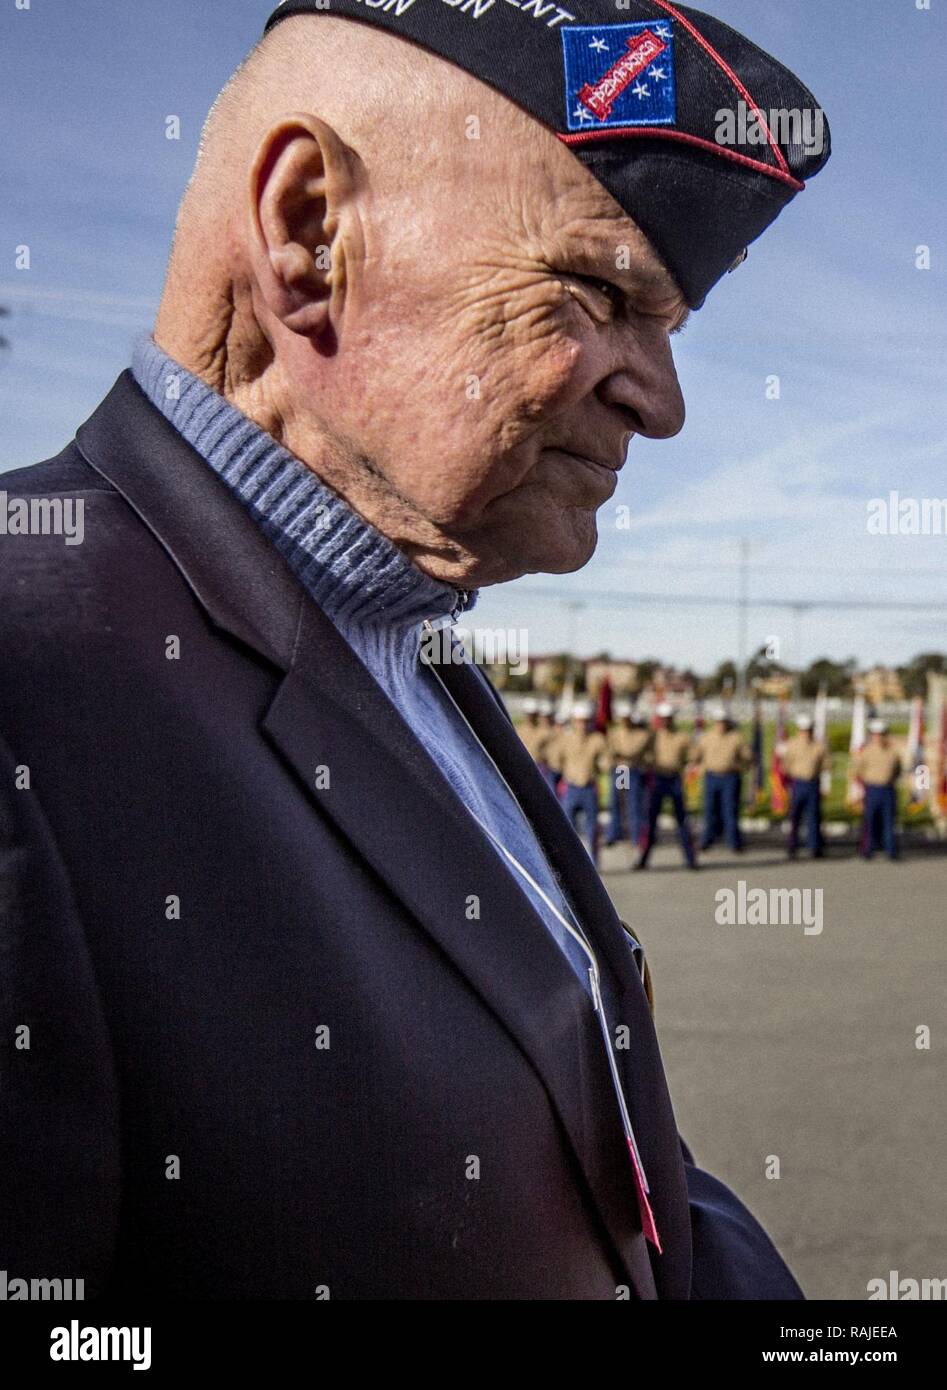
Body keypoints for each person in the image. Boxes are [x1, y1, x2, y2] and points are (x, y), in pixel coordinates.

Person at [0, 1, 829, 1299]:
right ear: (308, 230)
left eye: (670, 325)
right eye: (602, 291)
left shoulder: (405, 644)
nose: (660, 400)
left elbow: (611, 1160)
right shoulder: (27, 673)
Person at [635, 703, 698, 871]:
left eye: (668, 718)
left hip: (675, 778)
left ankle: (691, 859)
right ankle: (643, 859)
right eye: (662, 718)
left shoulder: (681, 737)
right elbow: (638, 752)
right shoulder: (652, 736)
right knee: (650, 821)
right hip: (656, 779)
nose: (665, 721)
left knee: (682, 821)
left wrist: (690, 764)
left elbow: (693, 755)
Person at [558, 701, 610, 865]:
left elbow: (607, 763)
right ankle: (569, 864)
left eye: (586, 721)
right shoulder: (565, 739)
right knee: (566, 830)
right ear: (574, 721)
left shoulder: (597, 740)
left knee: (592, 829)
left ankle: (594, 863)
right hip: (571, 788)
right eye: (580, 720)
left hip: (589, 789)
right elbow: (555, 761)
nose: (583, 724)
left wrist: (605, 764)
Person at [694, 707, 751, 853]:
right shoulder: (706, 737)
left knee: (730, 810)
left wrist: (740, 766)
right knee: (709, 810)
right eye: (719, 722)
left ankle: (734, 842)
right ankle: (707, 840)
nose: (721, 724)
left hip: (730, 777)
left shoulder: (736, 737)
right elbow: (696, 755)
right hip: (711, 776)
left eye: (723, 722)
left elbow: (748, 756)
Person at [853, 719, 903, 862]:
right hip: (872, 789)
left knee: (889, 821)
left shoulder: (892, 752)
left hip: (888, 789)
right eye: (876, 734)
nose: (879, 737)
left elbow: (897, 770)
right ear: (871, 735)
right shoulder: (866, 752)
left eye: (881, 734)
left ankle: (890, 850)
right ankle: (868, 849)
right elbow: (858, 770)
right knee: (869, 821)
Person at [780, 714, 829, 859]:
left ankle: (814, 847)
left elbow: (827, 764)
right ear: (798, 730)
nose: (806, 733)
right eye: (803, 730)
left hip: (813, 783)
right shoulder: (791, 744)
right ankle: (792, 846)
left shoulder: (819, 746)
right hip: (797, 783)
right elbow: (785, 765)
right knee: (794, 816)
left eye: (808, 730)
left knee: (813, 816)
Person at [605, 701, 654, 848]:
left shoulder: (640, 735)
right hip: (620, 770)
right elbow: (611, 751)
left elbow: (631, 751)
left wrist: (620, 753)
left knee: (633, 804)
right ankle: (614, 833)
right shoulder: (614, 733)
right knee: (616, 803)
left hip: (632, 770)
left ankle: (635, 836)